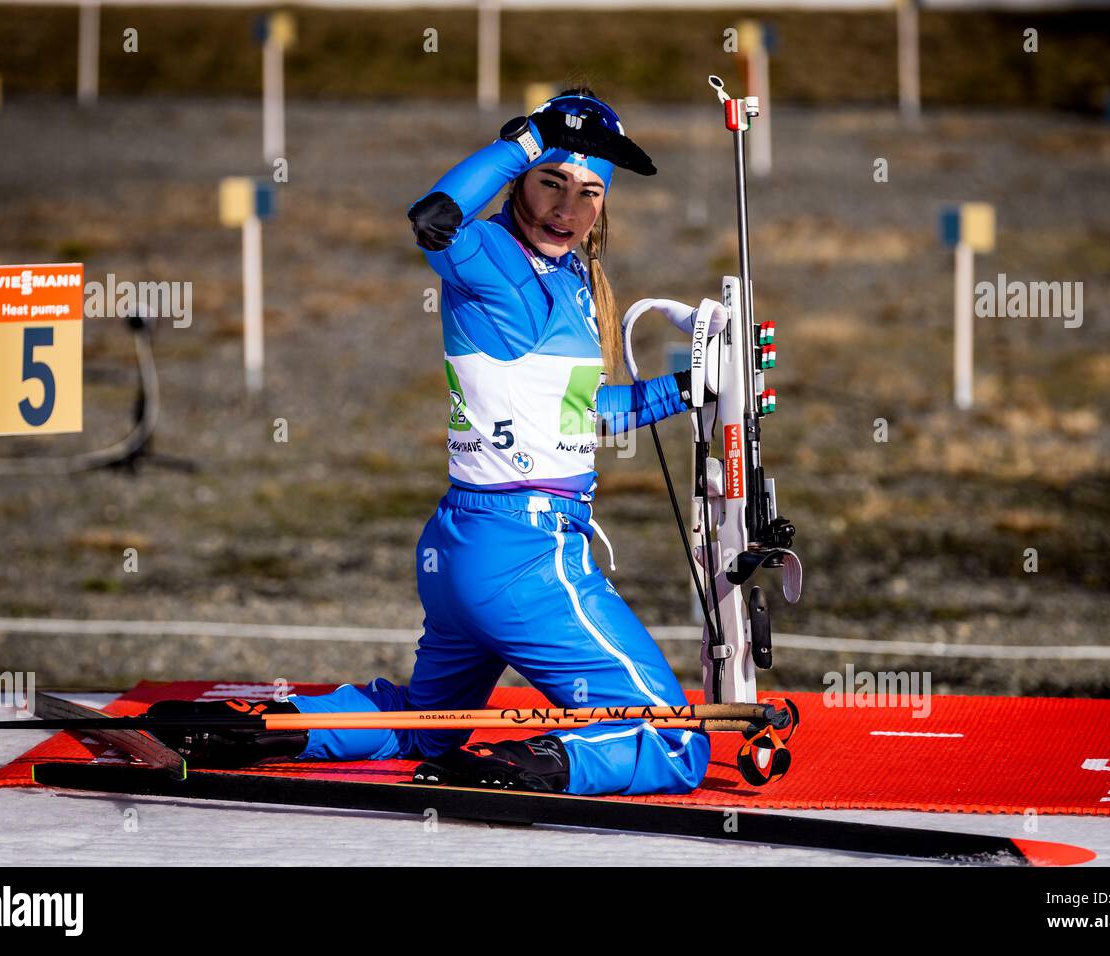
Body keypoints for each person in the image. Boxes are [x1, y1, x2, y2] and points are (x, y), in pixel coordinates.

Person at [149, 87, 718, 797]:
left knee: (427, 724)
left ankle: (249, 727)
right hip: (524, 557)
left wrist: (698, 386)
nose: (567, 209)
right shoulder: (487, 252)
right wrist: (525, 139)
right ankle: (525, 769)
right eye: (551, 183)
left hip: (465, 552)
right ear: (521, 180)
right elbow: (434, 219)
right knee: (672, 741)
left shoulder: (569, 278)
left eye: (590, 192)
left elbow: (582, 416)